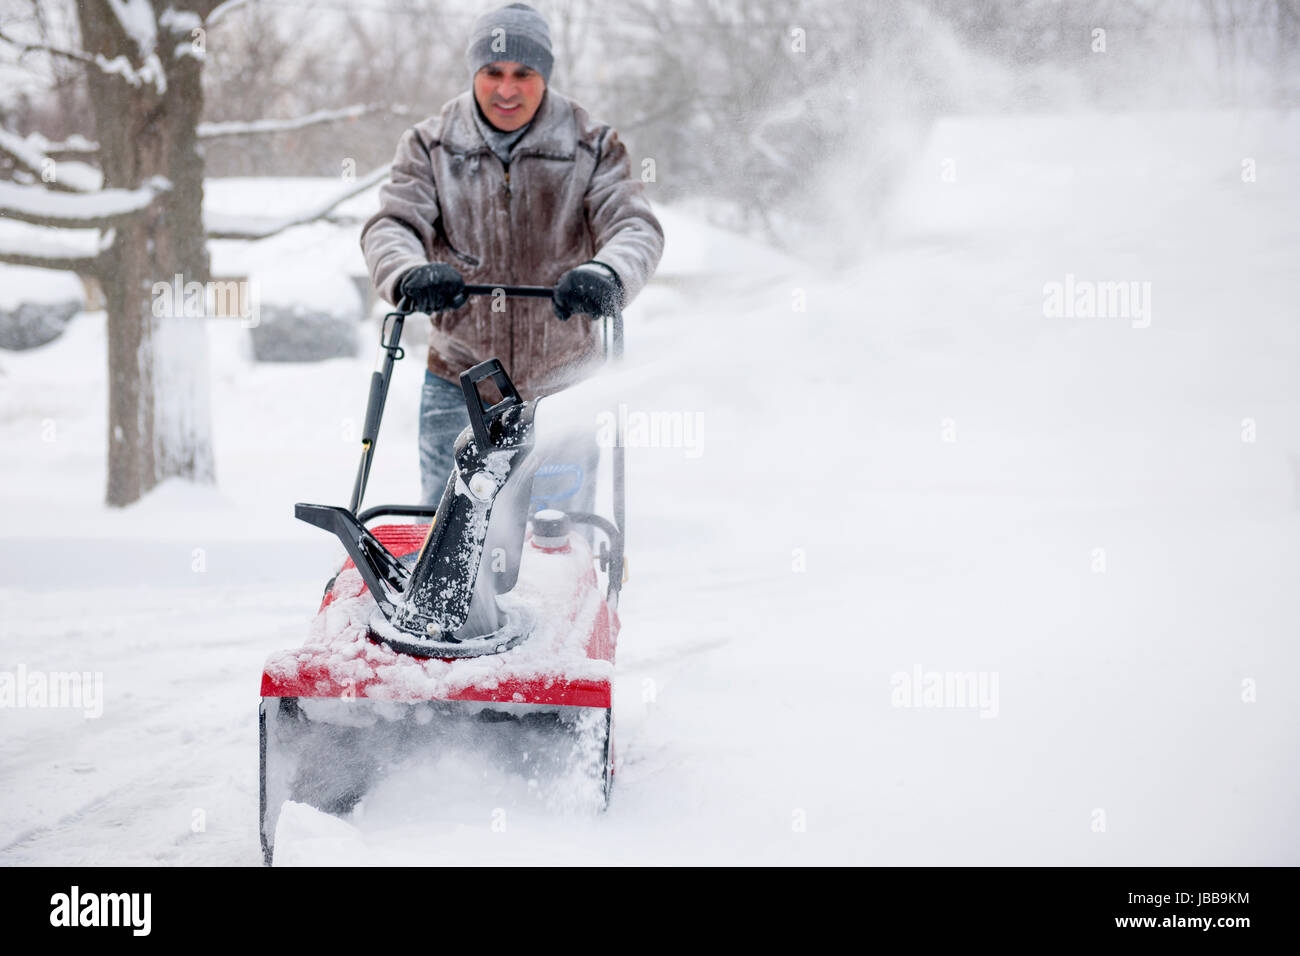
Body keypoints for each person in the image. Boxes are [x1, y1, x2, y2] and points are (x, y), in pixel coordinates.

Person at [360, 2, 664, 509]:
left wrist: (606, 273)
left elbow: (635, 226)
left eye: (523, 73)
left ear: (543, 74)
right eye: (492, 72)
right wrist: (409, 271)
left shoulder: (592, 144)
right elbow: (393, 224)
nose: (506, 89)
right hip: (460, 381)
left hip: (562, 382)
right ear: (474, 72)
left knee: (556, 541)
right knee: (448, 542)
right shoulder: (429, 145)